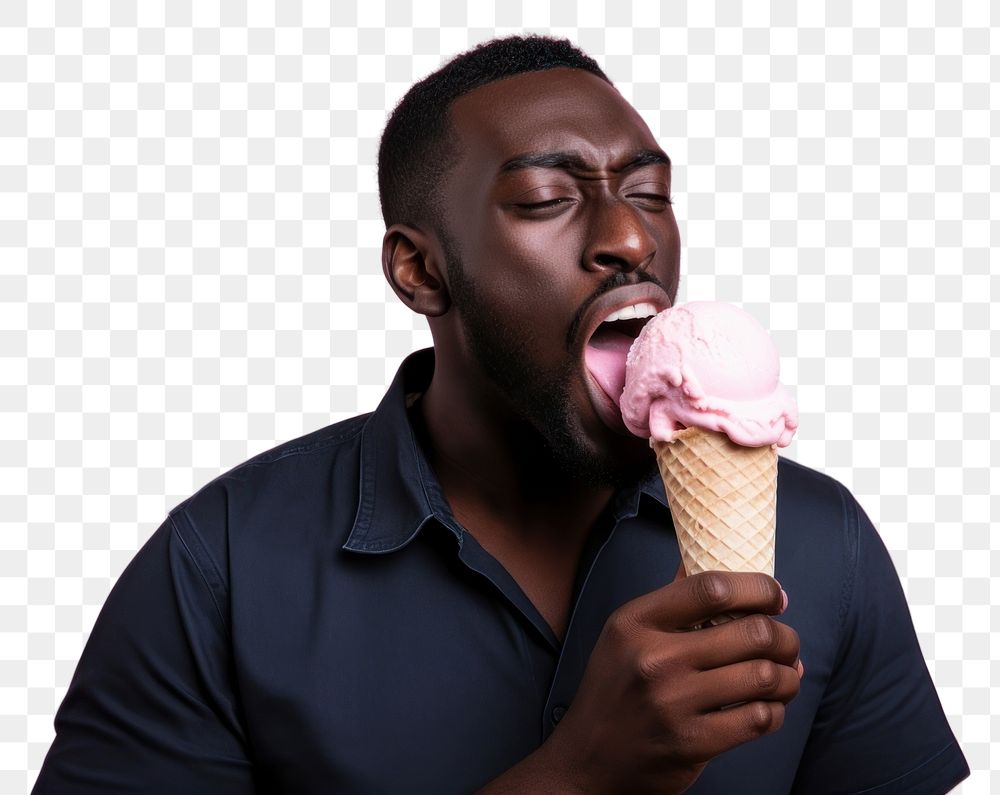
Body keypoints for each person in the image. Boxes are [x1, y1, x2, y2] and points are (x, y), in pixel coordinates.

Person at [34, 35, 968, 794]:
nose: (631, 237)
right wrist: (577, 777)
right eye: (546, 199)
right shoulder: (224, 564)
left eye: (649, 193)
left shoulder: (820, 541)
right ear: (420, 271)